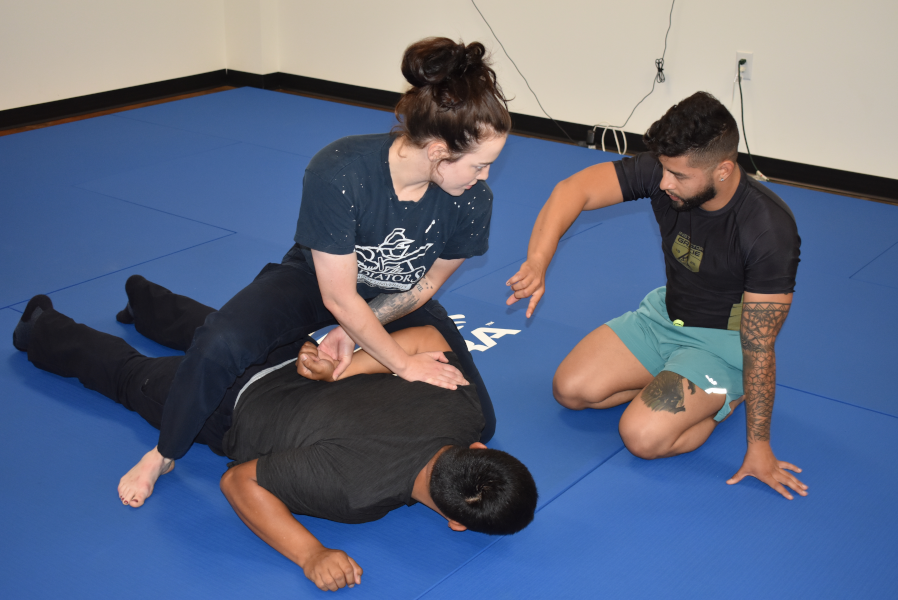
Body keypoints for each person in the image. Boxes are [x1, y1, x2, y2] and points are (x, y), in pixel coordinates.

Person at [112, 37, 512, 506]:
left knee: (480, 419)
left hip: (393, 298)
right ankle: (163, 452)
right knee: (222, 340)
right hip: (317, 280)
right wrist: (397, 361)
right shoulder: (341, 171)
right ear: (440, 151)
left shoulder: (470, 200)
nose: (484, 177)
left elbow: (427, 282)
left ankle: (154, 307)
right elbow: (339, 297)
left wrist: (360, 331)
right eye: (480, 165)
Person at [11, 283, 537, 592]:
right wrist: (310, 554)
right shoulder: (358, 494)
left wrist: (341, 370)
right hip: (229, 404)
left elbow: (426, 340)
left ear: (480, 452)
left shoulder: (468, 411)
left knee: (221, 332)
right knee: (132, 378)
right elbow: (241, 482)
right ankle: (39, 329)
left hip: (300, 352)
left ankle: (144, 299)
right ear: (453, 522)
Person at [506, 91, 808, 501]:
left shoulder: (767, 229)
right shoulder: (667, 172)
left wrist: (759, 447)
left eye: (679, 176)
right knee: (571, 391)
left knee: (642, 437)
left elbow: (759, 347)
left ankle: (725, 396)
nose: (663, 183)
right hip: (664, 316)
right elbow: (571, 190)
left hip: (722, 345)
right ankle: (672, 373)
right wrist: (538, 261)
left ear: (722, 170)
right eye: (663, 170)